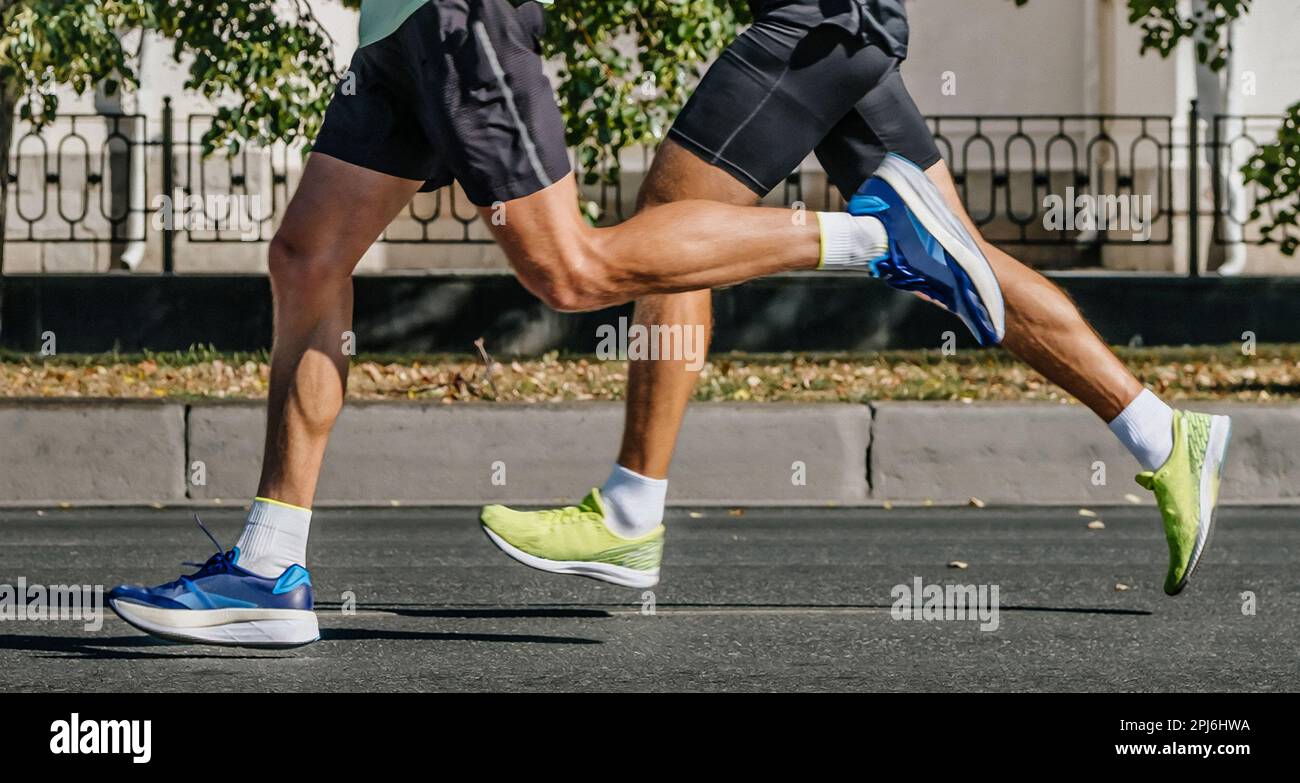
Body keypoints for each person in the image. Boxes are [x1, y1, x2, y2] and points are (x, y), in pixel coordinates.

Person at [104, 0, 1005, 647]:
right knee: (305, 256)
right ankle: (269, 565)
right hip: (389, 29)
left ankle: (879, 236)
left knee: (571, 270)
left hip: (459, 19)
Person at [479, 0, 1232, 597]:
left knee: (670, 226)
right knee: (960, 258)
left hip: (816, 24)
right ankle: (1164, 434)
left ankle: (630, 509)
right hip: (848, 31)